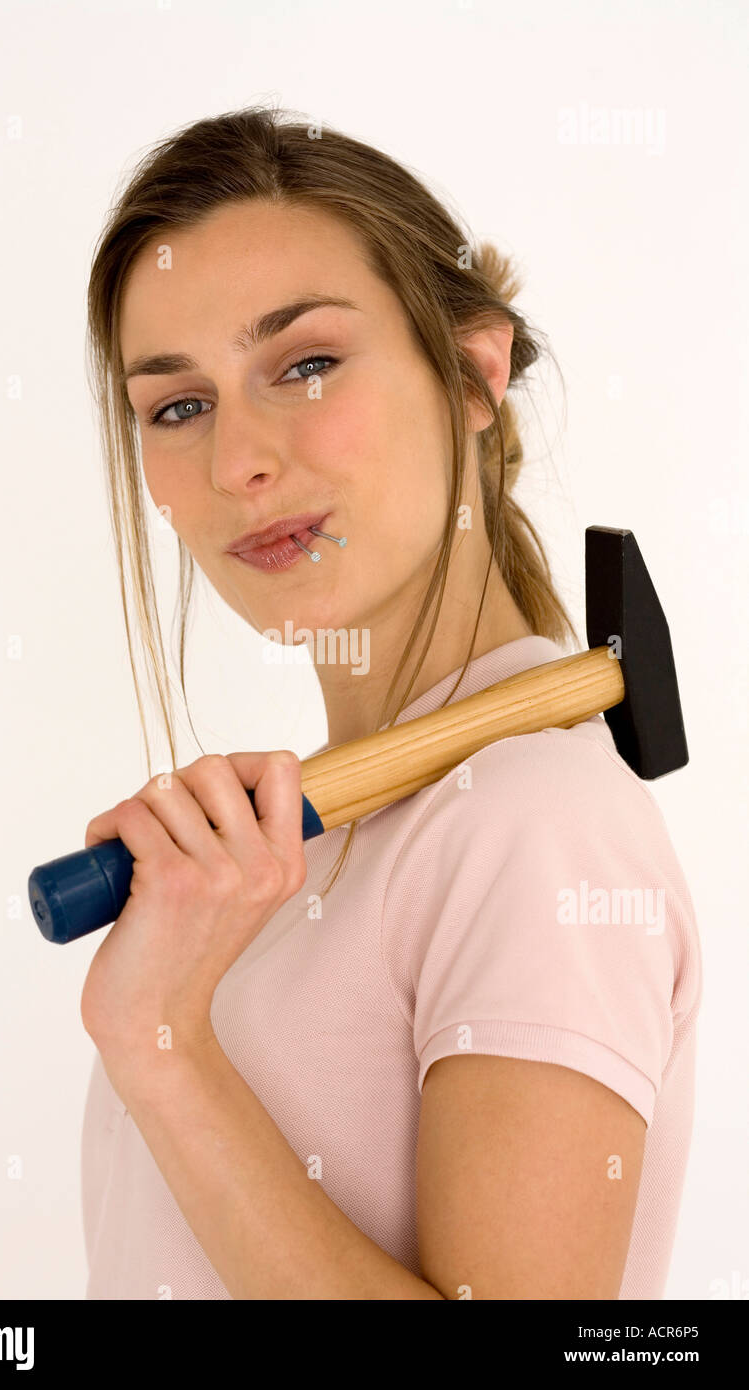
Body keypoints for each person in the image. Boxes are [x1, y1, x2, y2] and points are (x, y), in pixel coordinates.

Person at [78, 105, 701, 1300]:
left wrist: (165, 1053)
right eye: (177, 404)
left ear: (473, 371)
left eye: (303, 364)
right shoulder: (275, 862)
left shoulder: (534, 824)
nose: (237, 462)